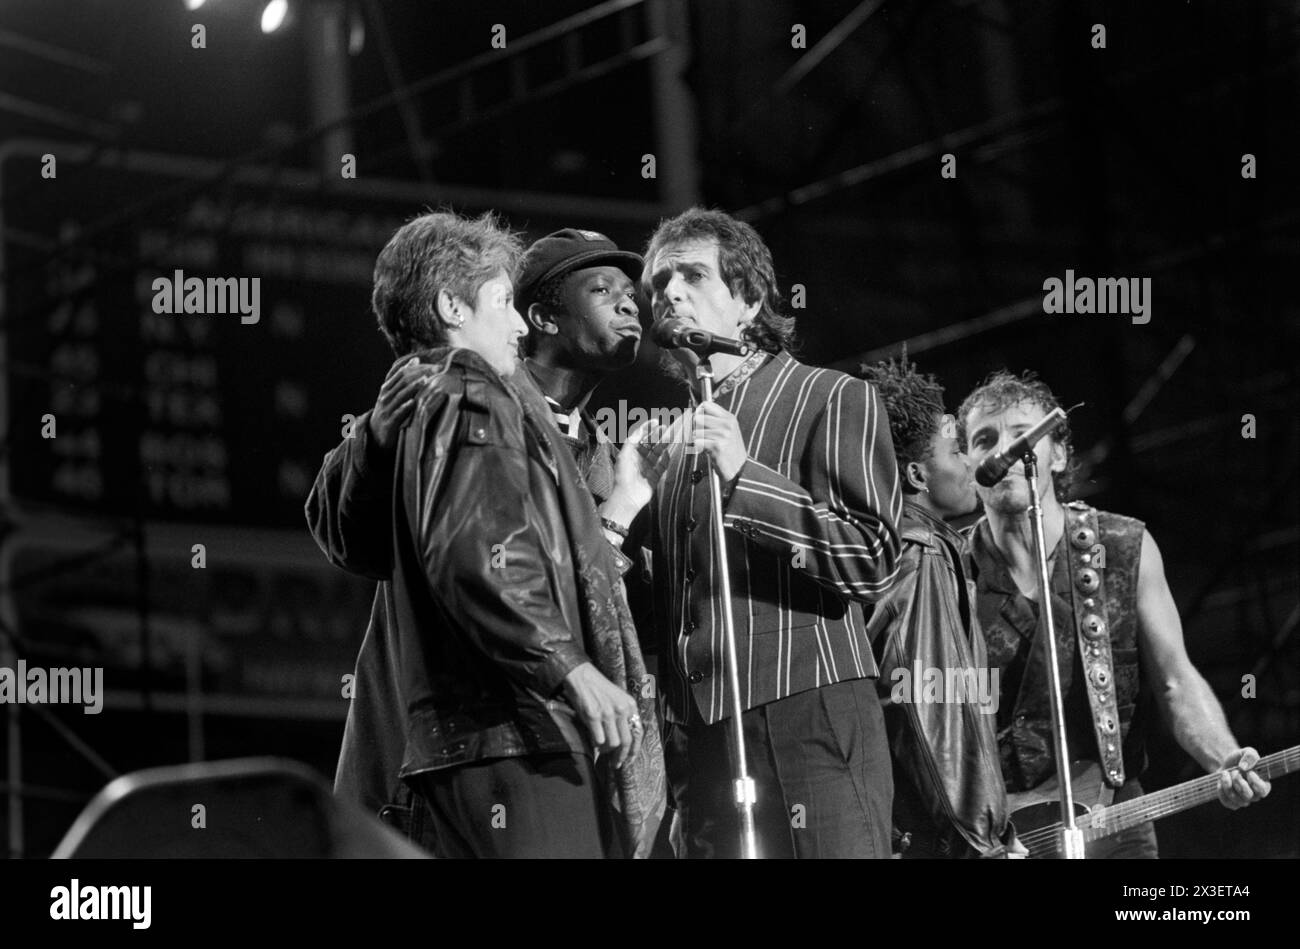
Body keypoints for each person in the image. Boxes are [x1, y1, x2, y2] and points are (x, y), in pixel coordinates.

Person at [305, 210, 662, 858]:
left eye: (631, 292)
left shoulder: (607, 459)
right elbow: (416, 547)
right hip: (493, 739)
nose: (628, 304)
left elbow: (564, 587)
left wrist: (622, 510)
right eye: (601, 289)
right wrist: (571, 670)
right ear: (543, 316)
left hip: (519, 738)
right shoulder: (465, 389)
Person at [623, 207, 903, 858]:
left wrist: (746, 476)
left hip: (811, 714)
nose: (668, 292)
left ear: (748, 299)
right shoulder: (662, 444)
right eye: (658, 283)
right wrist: (619, 518)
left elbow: (872, 561)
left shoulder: (831, 396)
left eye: (691, 274)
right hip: (701, 744)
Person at [958, 369, 1271, 858]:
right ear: (969, 464)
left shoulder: (1121, 547)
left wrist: (1222, 757)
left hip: (1113, 819)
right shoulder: (948, 573)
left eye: (1024, 436)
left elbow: (1175, 679)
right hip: (995, 838)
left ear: (1057, 453)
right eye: (985, 440)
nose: (1006, 452)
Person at [860, 357, 1018, 858]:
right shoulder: (921, 550)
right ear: (915, 473)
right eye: (957, 450)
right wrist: (983, 842)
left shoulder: (891, 543)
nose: (973, 463)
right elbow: (933, 716)